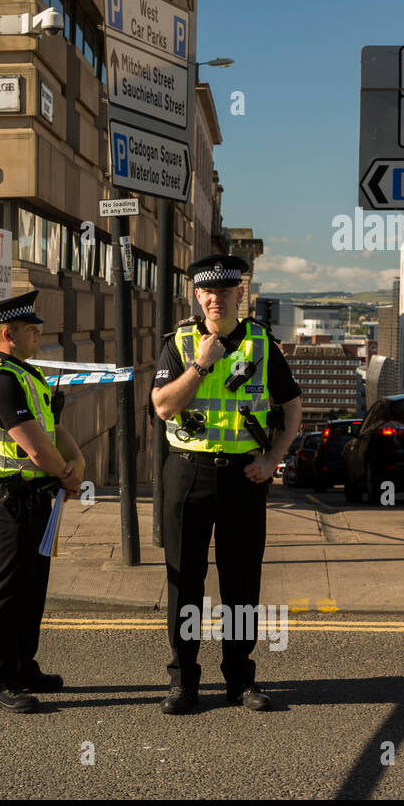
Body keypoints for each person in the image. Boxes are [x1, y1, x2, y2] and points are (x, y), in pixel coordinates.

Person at [150, 255, 303, 714]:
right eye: (206, 290)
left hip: (243, 476)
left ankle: (239, 680)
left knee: (241, 582)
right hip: (188, 473)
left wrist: (274, 458)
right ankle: (184, 682)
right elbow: (162, 407)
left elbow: (292, 404)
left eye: (225, 290)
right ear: (197, 295)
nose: (215, 298)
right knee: (185, 581)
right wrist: (199, 364)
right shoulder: (178, 343)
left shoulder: (260, 343)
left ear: (241, 293)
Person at [0, 290, 85, 714]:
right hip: (10, 498)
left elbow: (52, 428)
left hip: (37, 496)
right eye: (30, 328)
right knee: (8, 587)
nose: (38, 333)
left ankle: (23, 666)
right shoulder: (0, 381)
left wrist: (77, 461)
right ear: (6, 334)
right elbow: (34, 448)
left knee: (33, 585)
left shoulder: (27, 375)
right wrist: (66, 473)